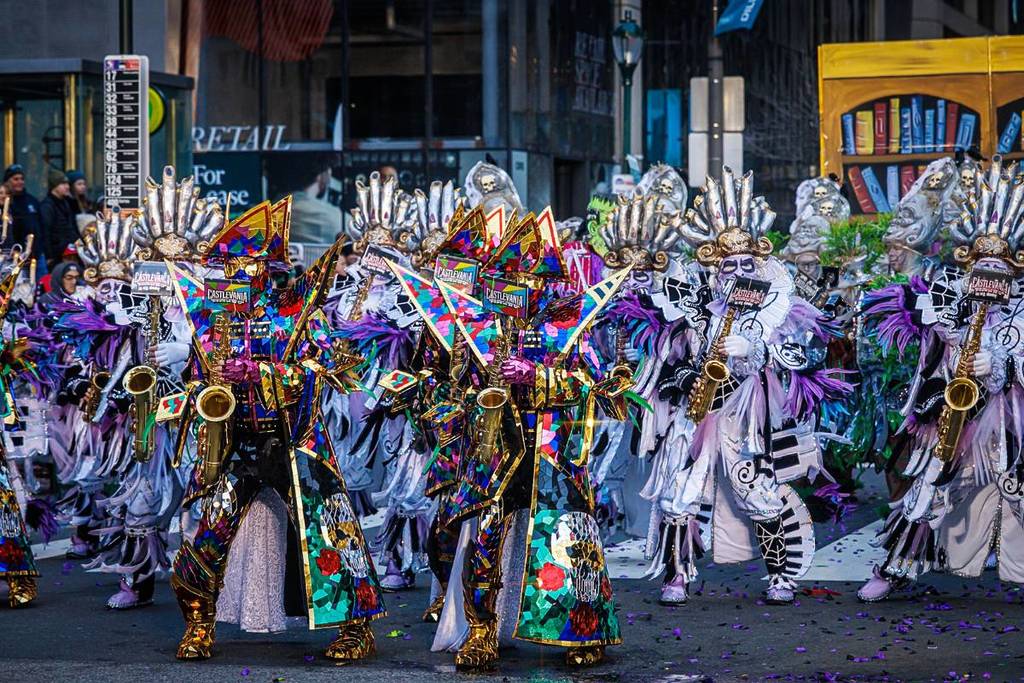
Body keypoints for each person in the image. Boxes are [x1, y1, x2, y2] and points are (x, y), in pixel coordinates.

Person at [3, 164, 46, 278]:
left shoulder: (32, 201)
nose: (20, 182)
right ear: (7, 181)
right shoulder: (6, 204)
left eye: (22, 179)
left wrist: (42, 249)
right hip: (16, 256)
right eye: (15, 179)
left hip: (36, 255)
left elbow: (42, 226)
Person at [40, 171, 78, 270]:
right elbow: (45, 232)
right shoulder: (47, 206)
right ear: (54, 186)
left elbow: (72, 227)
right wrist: (49, 256)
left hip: (69, 252)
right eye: (63, 184)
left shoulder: (66, 203)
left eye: (67, 184)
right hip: (56, 254)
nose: (67, 187)